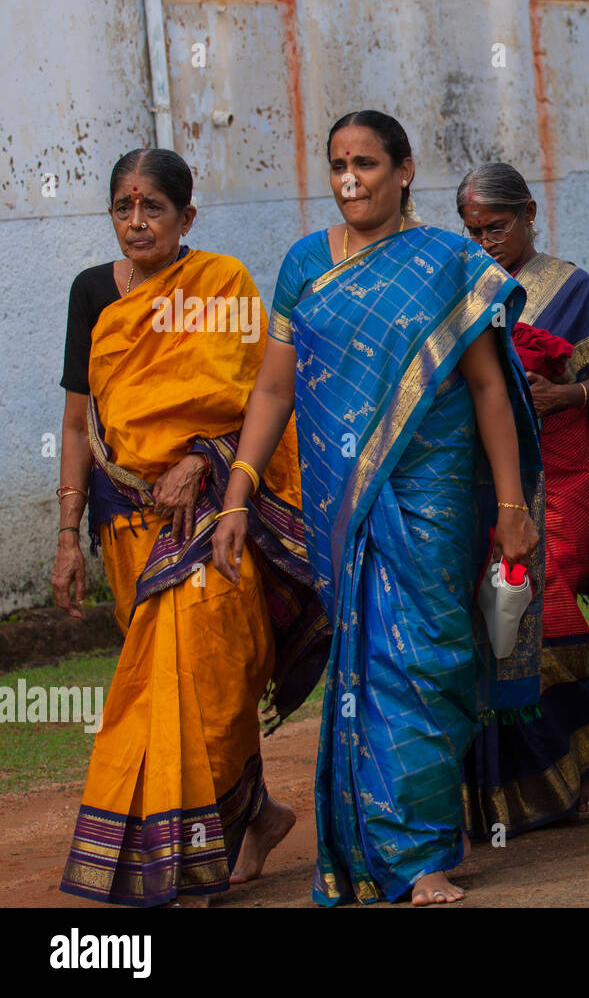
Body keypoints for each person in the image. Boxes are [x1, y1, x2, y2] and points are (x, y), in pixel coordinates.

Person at [211, 111, 543, 906]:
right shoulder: (302, 264)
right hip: (341, 502)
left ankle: (422, 852)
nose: (350, 177)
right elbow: (273, 387)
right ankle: (382, 840)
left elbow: (491, 386)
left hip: (432, 491)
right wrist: (237, 495)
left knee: (425, 658)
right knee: (366, 663)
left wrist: (511, 503)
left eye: (365, 162)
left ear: (403, 169)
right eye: (337, 164)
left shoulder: (447, 261)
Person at [53, 148, 327, 907]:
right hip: (128, 524)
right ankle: (259, 815)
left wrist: (205, 458)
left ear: (187, 218)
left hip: (214, 513)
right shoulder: (90, 294)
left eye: (154, 210)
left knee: (212, 674)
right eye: (123, 209)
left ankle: (185, 859)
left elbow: (266, 399)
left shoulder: (224, 285)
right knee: (162, 682)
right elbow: (78, 425)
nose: (136, 223)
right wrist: (66, 533)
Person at [456, 162, 589, 832]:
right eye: (473, 229)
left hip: (562, 472)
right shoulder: (463, 289)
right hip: (486, 481)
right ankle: (513, 781)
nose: (486, 240)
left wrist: (568, 393)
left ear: (530, 213)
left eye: (498, 226)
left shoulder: (572, 286)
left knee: (552, 606)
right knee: (495, 618)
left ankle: (588, 752)